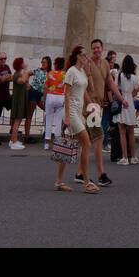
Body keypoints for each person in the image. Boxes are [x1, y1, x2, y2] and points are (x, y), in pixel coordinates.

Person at [56, 45, 98, 194]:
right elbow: (66, 94)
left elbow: (89, 90)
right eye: (85, 55)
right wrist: (67, 116)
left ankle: (59, 181)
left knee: (68, 146)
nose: (87, 57)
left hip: (79, 113)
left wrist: (90, 106)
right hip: (72, 112)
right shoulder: (71, 71)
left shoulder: (82, 72)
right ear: (78, 56)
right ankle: (86, 182)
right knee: (86, 143)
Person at [82, 38, 123, 186]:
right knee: (99, 138)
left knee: (86, 141)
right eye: (94, 48)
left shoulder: (105, 63)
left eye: (98, 48)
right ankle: (101, 174)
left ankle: (80, 173)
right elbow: (83, 87)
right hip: (90, 107)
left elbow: (110, 83)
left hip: (98, 106)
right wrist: (90, 104)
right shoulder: (87, 63)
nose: (96, 50)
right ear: (91, 49)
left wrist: (121, 99)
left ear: (102, 48)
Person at [116, 54, 139, 165]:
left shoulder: (119, 75)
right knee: (131, 132)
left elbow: (116, 89)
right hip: (130, 102)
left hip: (122, 102)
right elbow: (135, 93)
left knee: (122, 132)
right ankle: (134, 157)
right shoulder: (135, 78)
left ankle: (124, 157)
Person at [43, 56, 66, 151]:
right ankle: (57, 142)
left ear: (55, 64)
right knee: (58, 121)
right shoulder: (64, 74)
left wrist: (44, 99)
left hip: (50, 96)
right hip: (61, 97)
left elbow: (45, 87)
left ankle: (47, 144)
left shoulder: (50, 73)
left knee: (48, 120)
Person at [26, 56, 50, 143]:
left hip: (41, 95)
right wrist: (27, 83)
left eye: (45, 62)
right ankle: (27, 136)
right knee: (30, 115)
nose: (43, 63)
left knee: (48, 111)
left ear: (48, 64)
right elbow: (27, 73)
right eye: (42, 62)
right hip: (33, 92)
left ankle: (46, 131)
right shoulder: (37, 70)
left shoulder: (50, 73)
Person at [9, 57, 30, 150]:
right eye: (23, 62)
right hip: (18, 101)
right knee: (17, 121)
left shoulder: (20, 74)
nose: (24, 63)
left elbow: (27, 85)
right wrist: (26, 71)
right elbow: (22, 81)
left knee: (18, 120)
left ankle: (13, 139)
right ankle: (13, 142)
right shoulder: (17, 75)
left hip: (21, 100)